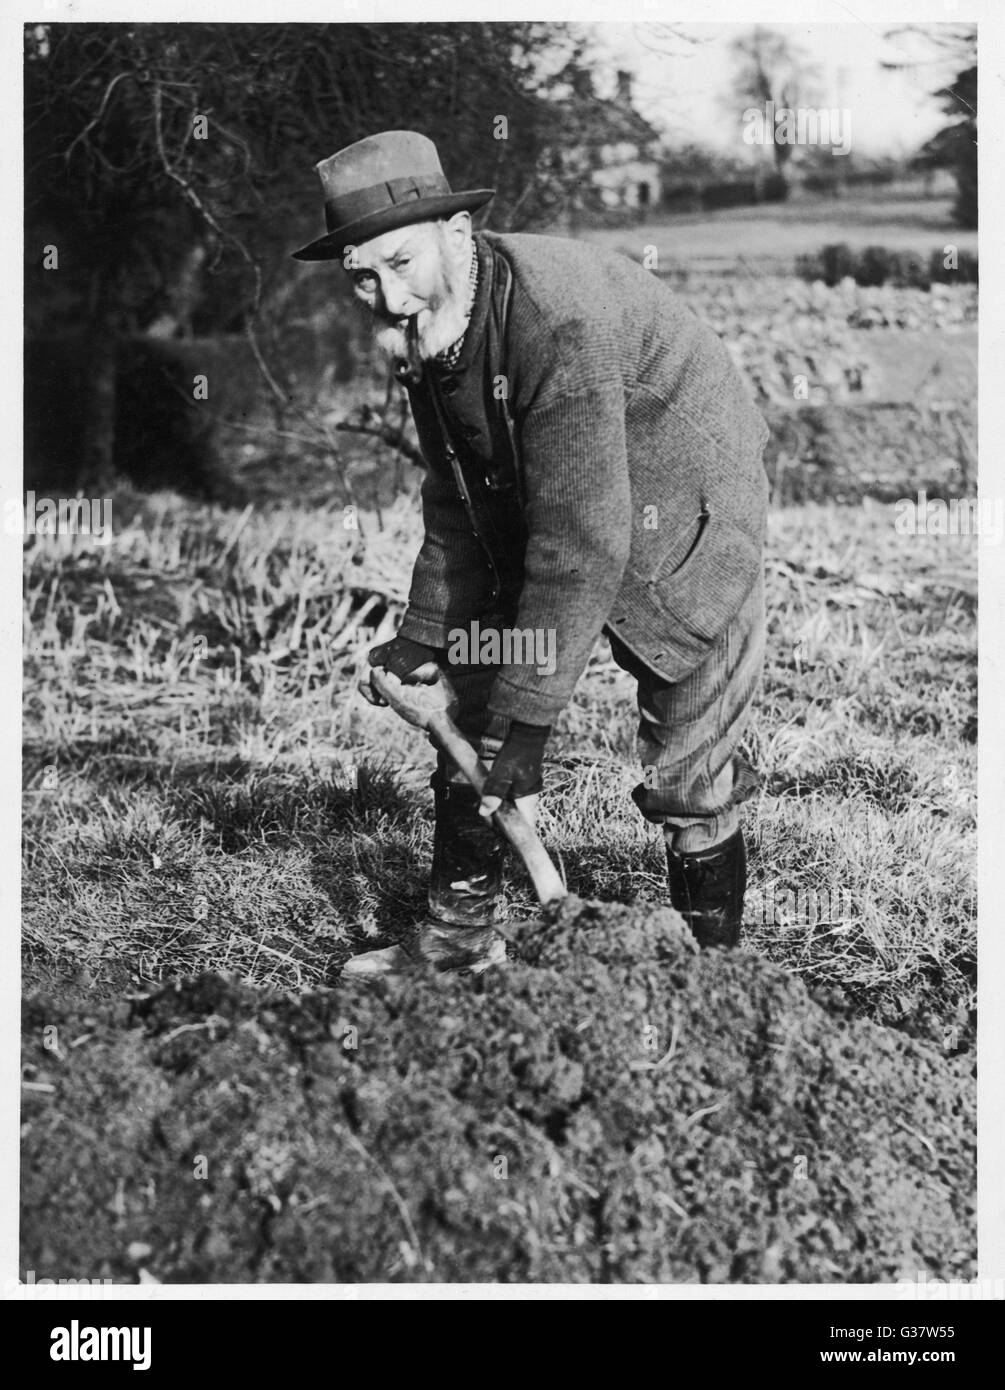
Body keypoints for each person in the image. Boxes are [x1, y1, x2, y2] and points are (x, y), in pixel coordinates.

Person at [292, 130, 769, 964]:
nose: (385, 297)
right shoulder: (428, 326)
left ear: (453, 232)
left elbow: (582, 544)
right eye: (360, 277)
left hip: (689, 514)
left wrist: (530, 730)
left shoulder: (556, 320)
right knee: (470, 709)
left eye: (398, 265)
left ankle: (712, 980)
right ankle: (454, 944)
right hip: (564, 507)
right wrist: (425, 631)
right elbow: (457, 493)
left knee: (686, 773)